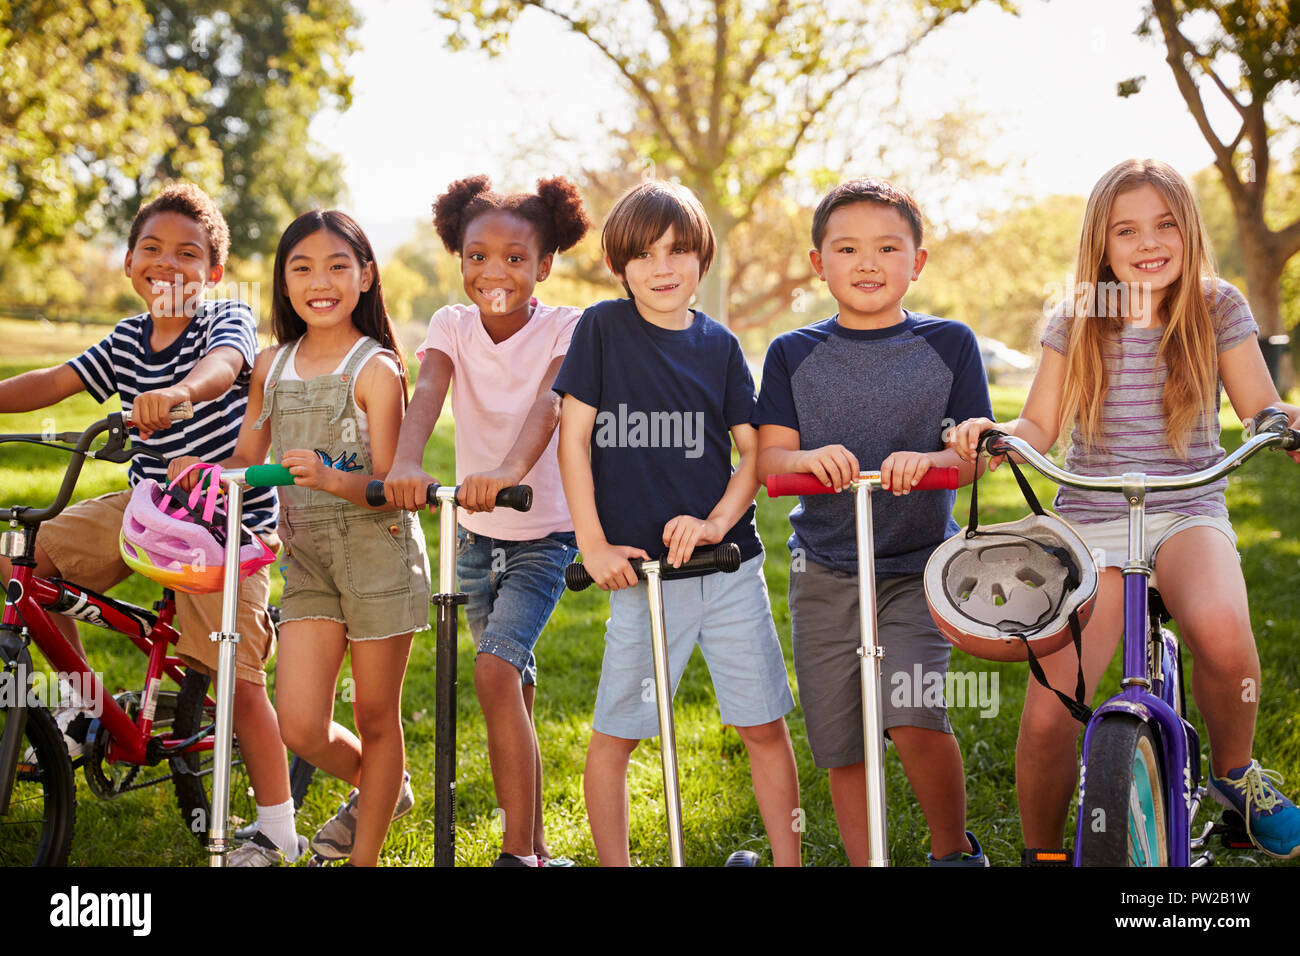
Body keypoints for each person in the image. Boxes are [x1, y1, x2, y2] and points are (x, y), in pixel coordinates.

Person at [949, 158, 1300, 861]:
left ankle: (1235, 776)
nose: (1149, 242)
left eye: (1165, 224)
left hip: (1187, 507)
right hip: (1092, 518)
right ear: (1101, 245)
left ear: (1189, 231)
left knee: (1225, 634)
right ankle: (1043, 852)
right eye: (1128, 230)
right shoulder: (1078, 316)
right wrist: (1003, 437)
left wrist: (1282, 422)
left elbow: (1260, 406)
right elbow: (1040, 425)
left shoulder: (1217, 306)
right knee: (1052, 708)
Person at [0, 183, 300, 865]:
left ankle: (278, 826)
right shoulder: (129, 338)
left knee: (236, 676)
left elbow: (224, 370)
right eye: (153, 249)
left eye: (188, 254)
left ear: (214, 273)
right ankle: (83, 709)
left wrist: (180, 392)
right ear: (130, 262)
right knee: (24, 563)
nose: (168, 264)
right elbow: (55, 380)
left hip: (223, 521)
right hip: (146, 507)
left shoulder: (224, 321)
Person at [173, 209, 430, 867]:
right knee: (301, 726)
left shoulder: (375, 369)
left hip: (379, 552)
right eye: (303, 267)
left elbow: (387, 481)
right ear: (283, 285)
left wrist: (332, 478)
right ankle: (385, 787)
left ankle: (364, 856)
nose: (322, 280)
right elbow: (245, 456)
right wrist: (203, 472)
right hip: (309, 558)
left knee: (376, 716)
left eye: (339, 265)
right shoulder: (270, 367)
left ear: (366, 277)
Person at [555, 180, 801, 867]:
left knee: (762, 727)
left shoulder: (719, 346)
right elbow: (572, 441)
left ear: (703, 258)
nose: (663, 268)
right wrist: (593, 543)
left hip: (728, 573)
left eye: (679, 251)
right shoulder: (601, 331)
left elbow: (752, 453)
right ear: (619, 266)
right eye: (645, 255)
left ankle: (791, 861)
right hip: (640, 578)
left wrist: (719, 521)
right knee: (617, 735)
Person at [754, 177, 991, 866]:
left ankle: (953, 852)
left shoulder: (949, 344)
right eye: (847, 248)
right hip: (826, 570)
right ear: (817, 262)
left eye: (888, 248)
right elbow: (771, 460)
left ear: (917, 262)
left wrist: (934, 459)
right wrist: (808, 455)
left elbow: (970, 454)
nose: (867, 262)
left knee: (912, 716)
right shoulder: (792, 354)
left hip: (918, 569)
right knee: (843, 737)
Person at [385, 174, 590, 868]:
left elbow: (551, 403)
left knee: (495, 675)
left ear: (545, 265)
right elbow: (429, 392)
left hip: (544, 537)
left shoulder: (569, 327)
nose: (492, 272)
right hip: (474, 540)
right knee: (518, 684)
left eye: (513, 257)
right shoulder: (451, 325)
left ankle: (513, 856)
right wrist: (407, 464)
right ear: (459, 258)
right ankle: (533, 848)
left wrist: (506, 473)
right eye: (477, 256)